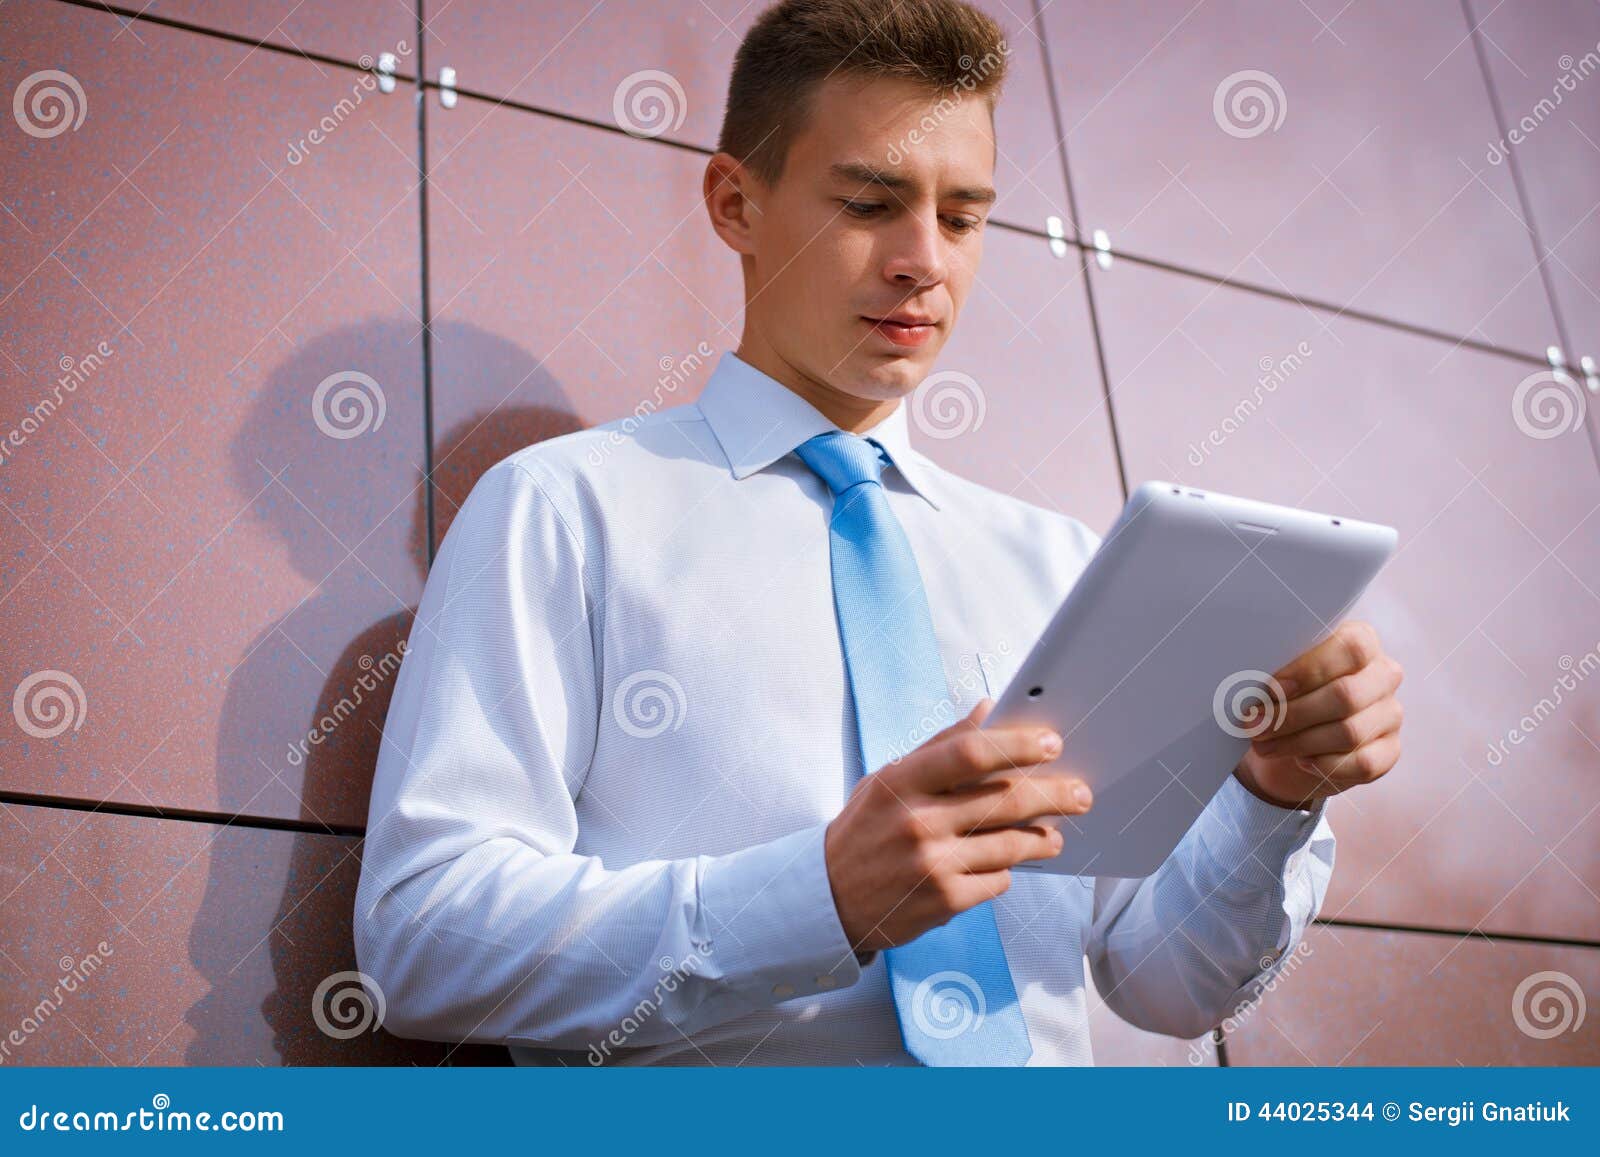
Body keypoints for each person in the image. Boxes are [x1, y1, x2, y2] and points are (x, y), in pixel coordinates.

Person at [353, 0, 1404, 1066]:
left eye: (961, 217)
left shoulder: (1060, 564)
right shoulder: (564, 509)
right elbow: (419, 941)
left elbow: (1166, 984)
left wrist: (1271, 792)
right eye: (870, 202)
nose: (922, 261)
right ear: (734, 203)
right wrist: (817, 896)